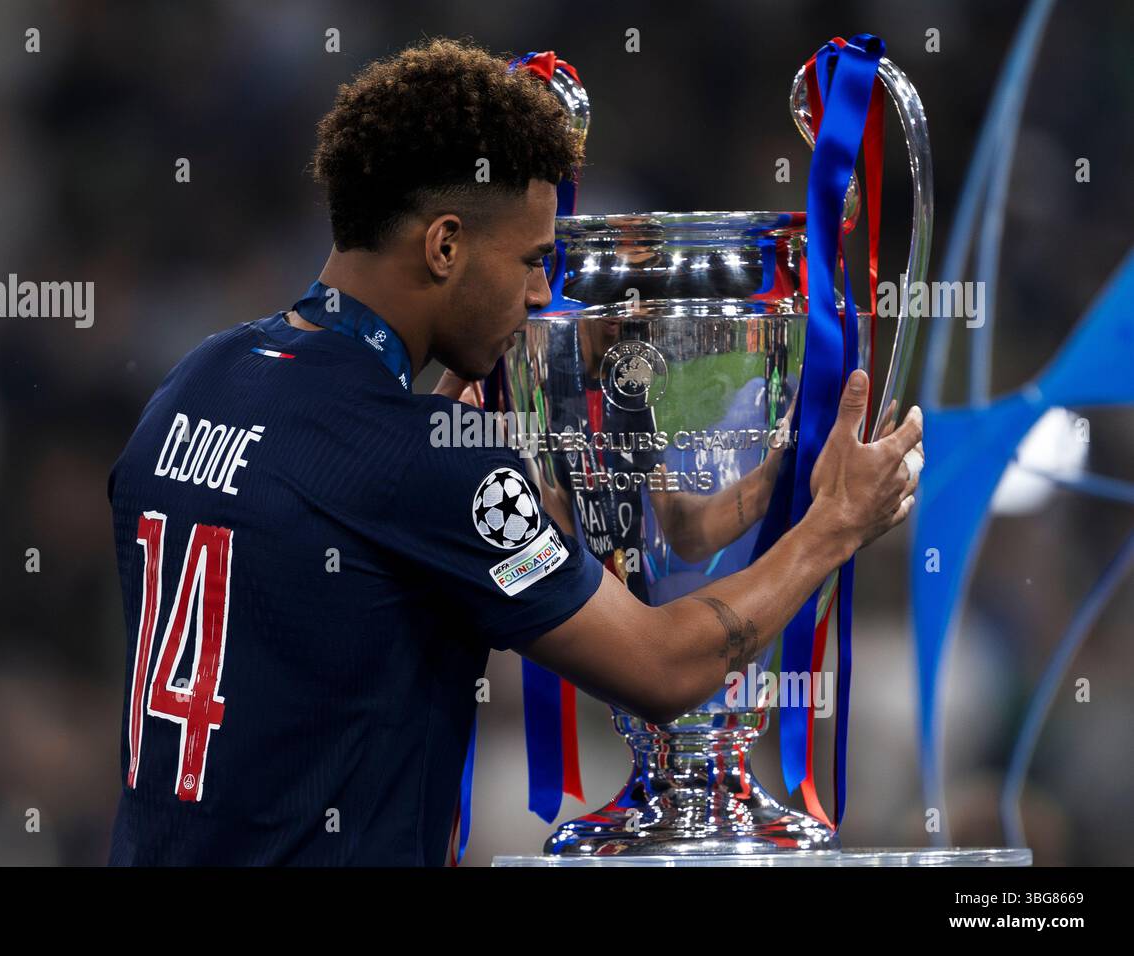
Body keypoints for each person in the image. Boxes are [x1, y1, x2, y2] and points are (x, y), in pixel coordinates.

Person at [105, 37, 923, 866]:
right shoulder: (421, 465)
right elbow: (663, 668)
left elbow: (329, 545)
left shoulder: (197, 381)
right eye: (533, 260)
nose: (541, 293)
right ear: (445, 246)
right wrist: (835, 525)